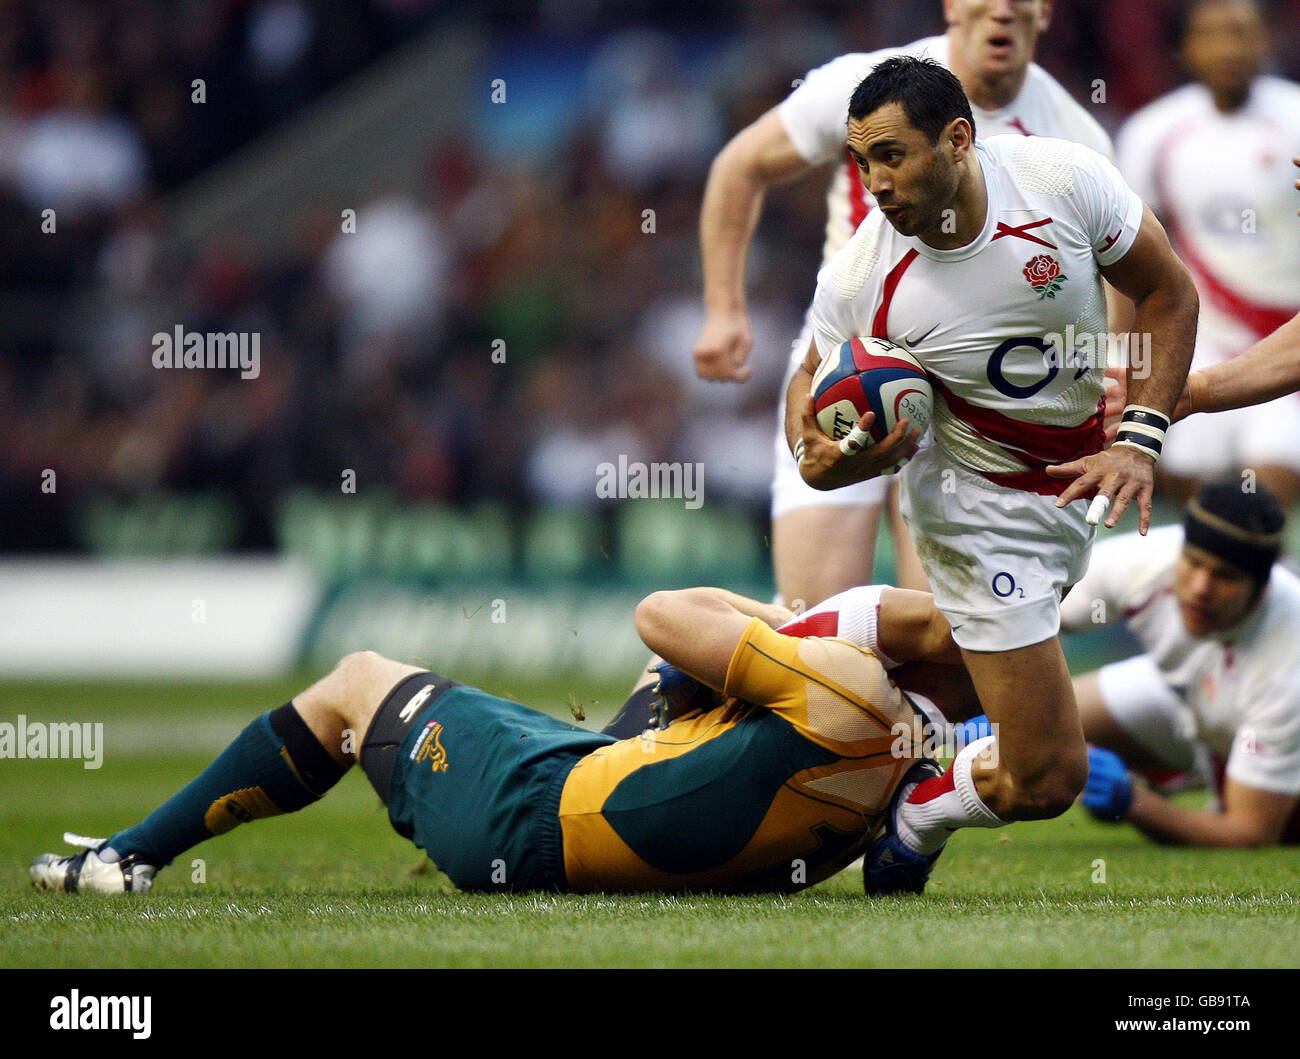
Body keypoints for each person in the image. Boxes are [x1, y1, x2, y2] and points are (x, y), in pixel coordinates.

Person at [788, 56, 1198, 891]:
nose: (875, 184)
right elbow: (807, 394)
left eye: (892, 156)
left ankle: (792, 636)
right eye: (862, 162)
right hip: (978, 506)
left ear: (959, 140)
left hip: (1082, 482)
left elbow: (1167, 292)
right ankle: (918, 815)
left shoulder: (1063, 180)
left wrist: (1140, 438)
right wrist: (826, 462)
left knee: (947, 643)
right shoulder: (865, 274)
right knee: (1048, 778)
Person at [29, 584, 977, 896]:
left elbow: (658, 613)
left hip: (529, 818)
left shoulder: (849, 680)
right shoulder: (914, 757)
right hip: (617, 799)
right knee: (672, 688)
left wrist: (809, 615)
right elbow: (891, 875)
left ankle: (128, 857)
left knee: (356, 680)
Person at [694, 0, 1116, 605]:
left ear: (1046, 10)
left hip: (978, 390)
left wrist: (1117, 365)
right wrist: (723, 308)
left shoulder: (1075, 137)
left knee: (949, 626)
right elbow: (741, 163)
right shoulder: (865, 89)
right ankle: (691, 664)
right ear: (951, 5)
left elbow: (1121, 270)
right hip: (848, 361)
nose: (999, 12)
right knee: (808, 613)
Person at [1115, 0, 1300, 505]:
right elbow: (1127, 264)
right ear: (1187, 49)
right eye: (1213, 34)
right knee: (1199, 507)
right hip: (1200, 352)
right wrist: (1117, 358)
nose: (1230, 49)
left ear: (1267, 40)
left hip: (1285, 349)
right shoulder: (1152, 134)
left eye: (1243, 33)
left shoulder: (1295, 117)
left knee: (1264, 497)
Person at [1060, 480, 1300, 846]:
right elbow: (1025, 614)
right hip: (1185, 701)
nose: (1201, 587)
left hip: (1252, 733)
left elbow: (1247, 832)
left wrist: (1134, 802)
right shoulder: (1149, 558)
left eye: (1225, 575)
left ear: (1262, 585)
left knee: (1285, 830)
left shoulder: (1287, 666)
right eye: (1194, 563)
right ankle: (1177, 772)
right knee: (1021, 723)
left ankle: (1183, 777)